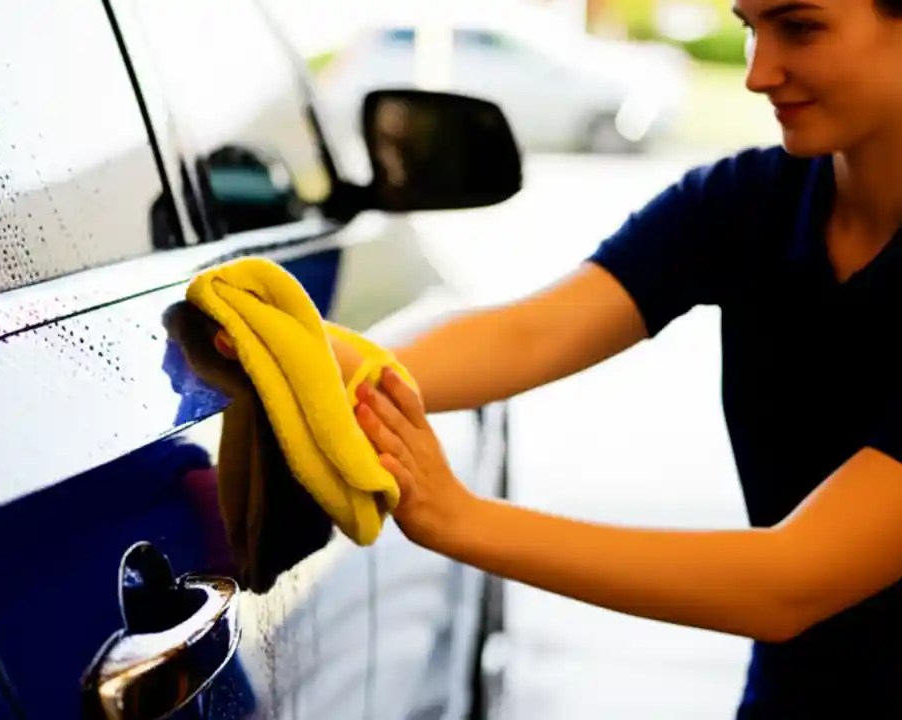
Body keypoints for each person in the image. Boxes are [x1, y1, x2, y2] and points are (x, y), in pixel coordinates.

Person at [346, 0, 902, 716]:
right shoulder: (749, 199)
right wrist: (304, 359)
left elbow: (790, 582)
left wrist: (460, 518)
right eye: (748, 28)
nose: (758, 73)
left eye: (799, 26)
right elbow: (531, 334)